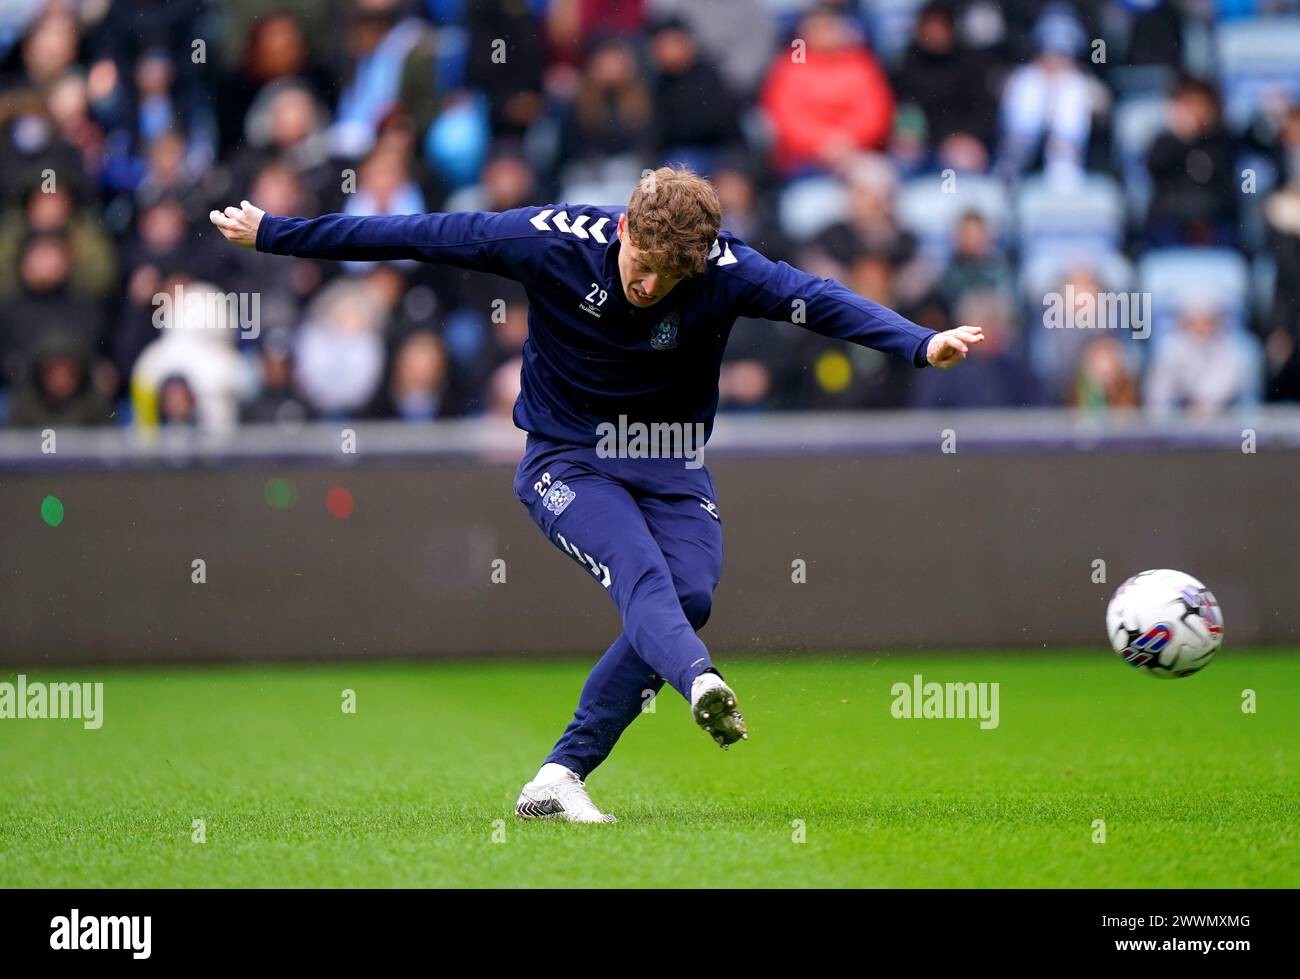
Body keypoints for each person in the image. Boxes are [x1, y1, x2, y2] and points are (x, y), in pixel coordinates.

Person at [209, 166, 983, 823]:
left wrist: (919, 342)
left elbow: (817, 296)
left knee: (690, 592)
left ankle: (558, 776)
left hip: (672, 462)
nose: (648, 284)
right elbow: (419, 232)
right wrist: (276, 232)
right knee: (644, 577)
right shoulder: (550, 241)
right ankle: (700, 680)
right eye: (640, 262)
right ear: (622, 229)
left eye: (667, 276)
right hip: (567, 459)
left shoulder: (724, 269)